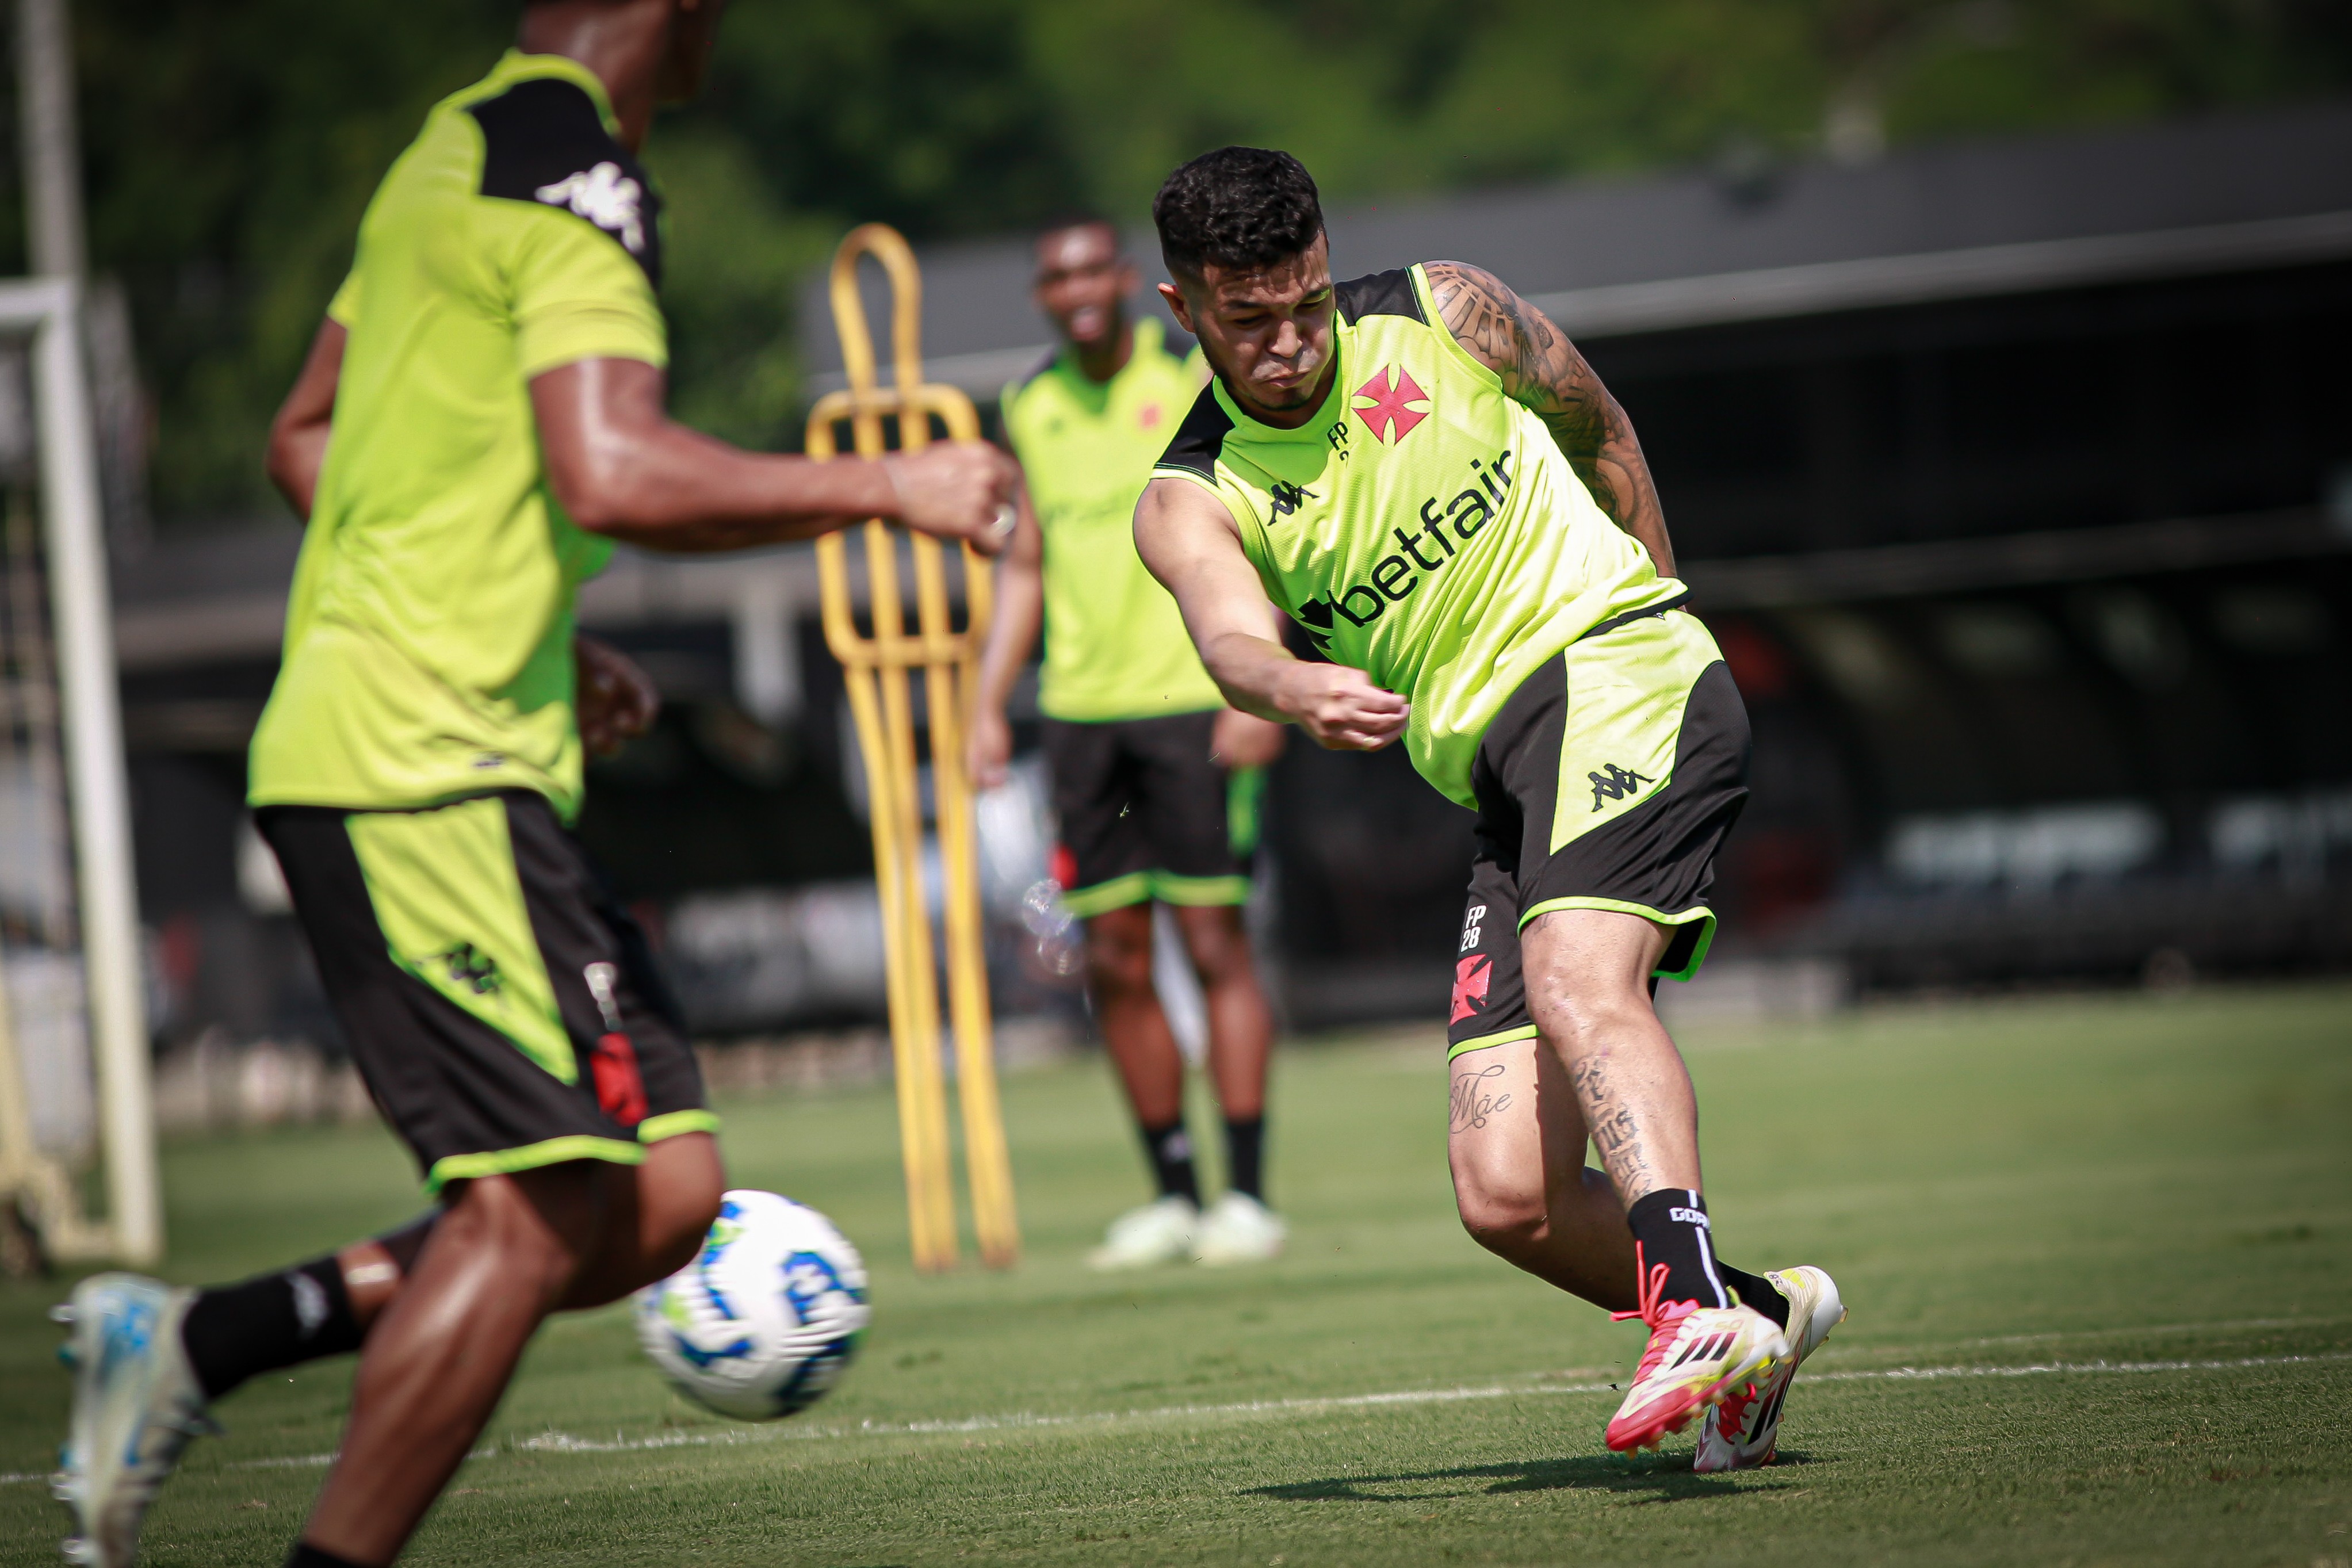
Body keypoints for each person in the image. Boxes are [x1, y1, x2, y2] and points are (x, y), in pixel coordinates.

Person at [48, 3, 1015, 1565]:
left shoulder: (451, 146)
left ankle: (203, 1339)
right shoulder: (581, 173)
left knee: (665, 1190)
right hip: (418, 763)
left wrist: (537, 627)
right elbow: (615, 471)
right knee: (536, 1205)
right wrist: (887, 483)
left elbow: (309, 441)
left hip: (452, 747)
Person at [1131, 147, 1845, 1467]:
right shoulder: (1192, 494)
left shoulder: (1447, 310)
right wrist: (1292, 686)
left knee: (1578, 977)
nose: (1288, 343)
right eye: (1249, 321)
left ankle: (1687, 1306)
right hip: (1500, 785)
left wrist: (1664, 610)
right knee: (1505, 1194)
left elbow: (1599, 427)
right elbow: (1230, 643)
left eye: (1305, 303)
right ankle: (1759, 1313)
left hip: (1612, 667)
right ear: (1182, 310)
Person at [969, 217, 1288, 1269]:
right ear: (1040, 295)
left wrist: (1263, 677)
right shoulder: (1028, 404)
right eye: (1053, 276)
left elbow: (1266, 520)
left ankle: (1245, 1194)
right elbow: (1023, 568)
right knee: (1111, 956)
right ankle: (1171, 1193)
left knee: (1212, 944)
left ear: (1125, 280)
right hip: (1079, 717)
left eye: (1090, 269)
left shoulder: (1193, 371)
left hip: (1196, 700)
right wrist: (984, 704)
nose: (1075, 290)